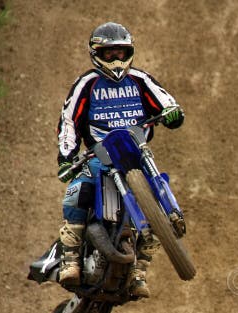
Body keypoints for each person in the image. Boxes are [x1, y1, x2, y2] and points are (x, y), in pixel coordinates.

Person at [56, 22, 184, 297]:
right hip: (99, 154)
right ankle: (71, 257)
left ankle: (140, 270)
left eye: (121, 53)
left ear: (130, 53)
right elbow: (69, 121)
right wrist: (66, 156)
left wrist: (173, 113)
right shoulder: (87, 84)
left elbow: (166, 102)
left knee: (155, 188)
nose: (116, 60)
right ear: (96, 53)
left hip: (135, 152)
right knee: (80, 187)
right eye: (109, 53)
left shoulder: (140, 80)